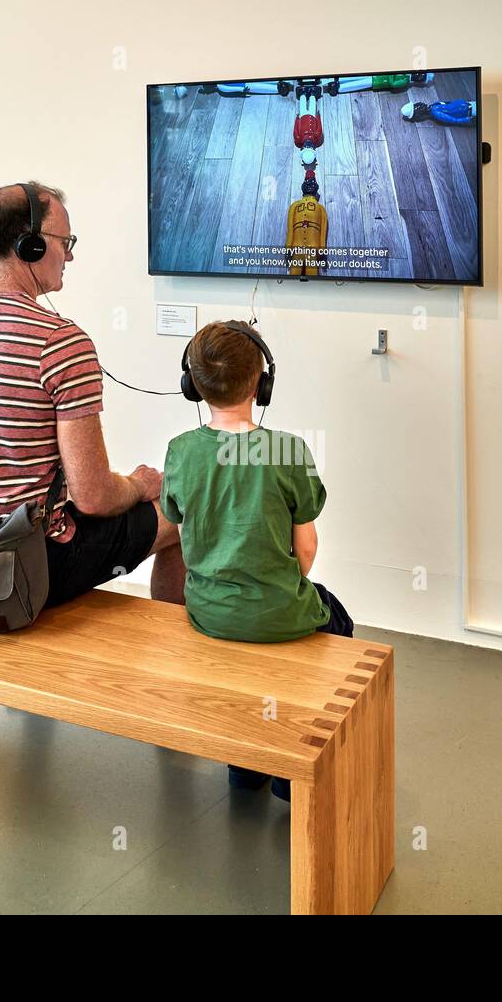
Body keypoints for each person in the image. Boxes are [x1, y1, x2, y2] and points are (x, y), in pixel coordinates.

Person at [0, 181, 184, 607]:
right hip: (25, 569)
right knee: (185, 512)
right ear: (29, 246)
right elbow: (93, 498)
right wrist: (139, 484)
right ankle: (181, 660)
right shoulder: (61, 342)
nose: (70, 254)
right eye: (64, 242)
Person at [159, 319, 353, 800]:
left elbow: (183, 531)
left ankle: (246, 767)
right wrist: (277, 584)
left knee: (250, 648)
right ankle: (293, 770)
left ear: (193, 386)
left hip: (209, 612)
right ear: (261, 384)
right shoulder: (288, 451)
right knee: (340, 625)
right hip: (277, 610)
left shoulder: (181, 452)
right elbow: (305, 552)